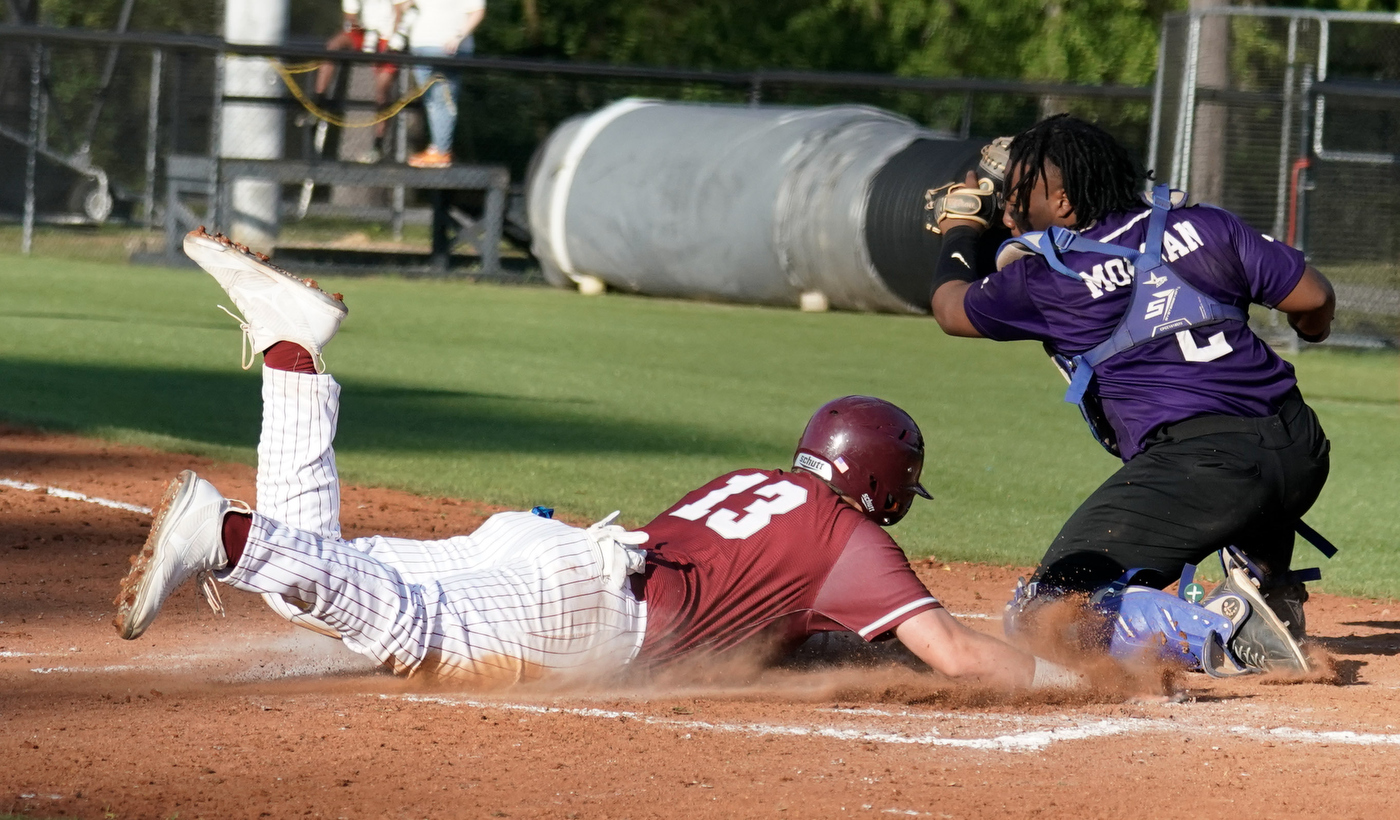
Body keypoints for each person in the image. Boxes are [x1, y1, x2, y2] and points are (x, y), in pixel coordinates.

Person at [111, 228, 1086, 693]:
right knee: (407, 632)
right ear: (879, 482)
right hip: (585, 604)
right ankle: (222, 532)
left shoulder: (752, 484)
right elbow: (952, 655)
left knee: (313, 575)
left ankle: (290, 353)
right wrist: (1063, 681)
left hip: (553, 554)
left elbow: (770, 613)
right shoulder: (851, 543)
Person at [925, 115, 1335, 677]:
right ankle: (1265, 584)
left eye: (1019, 195)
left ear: (1065, 203)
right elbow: (1313, 296)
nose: (1010, 208)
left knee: (1047, 613)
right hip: (1300, 447)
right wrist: (1312, 332)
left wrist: (960, 231)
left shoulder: (1046, 279)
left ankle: (1232, 634)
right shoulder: (1205, 224)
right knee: (1242, 470)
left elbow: (951, 309)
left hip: (1204, 468)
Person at [311, 0, 408, 161]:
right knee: (333, 46)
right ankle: (317, 102)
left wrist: (391, 41)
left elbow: (399, 12)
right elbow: (350, 15)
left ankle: (378, 143)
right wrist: (357, 26)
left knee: (382, 87)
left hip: (388, 37)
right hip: (364, 33)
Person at [402, 0, 486, 168]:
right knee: (432, 100)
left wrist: (458, 36)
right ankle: (438, 147)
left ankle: (441, 151)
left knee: (443, 98)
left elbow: (477, 11)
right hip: (421, 46)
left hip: (447, 48)